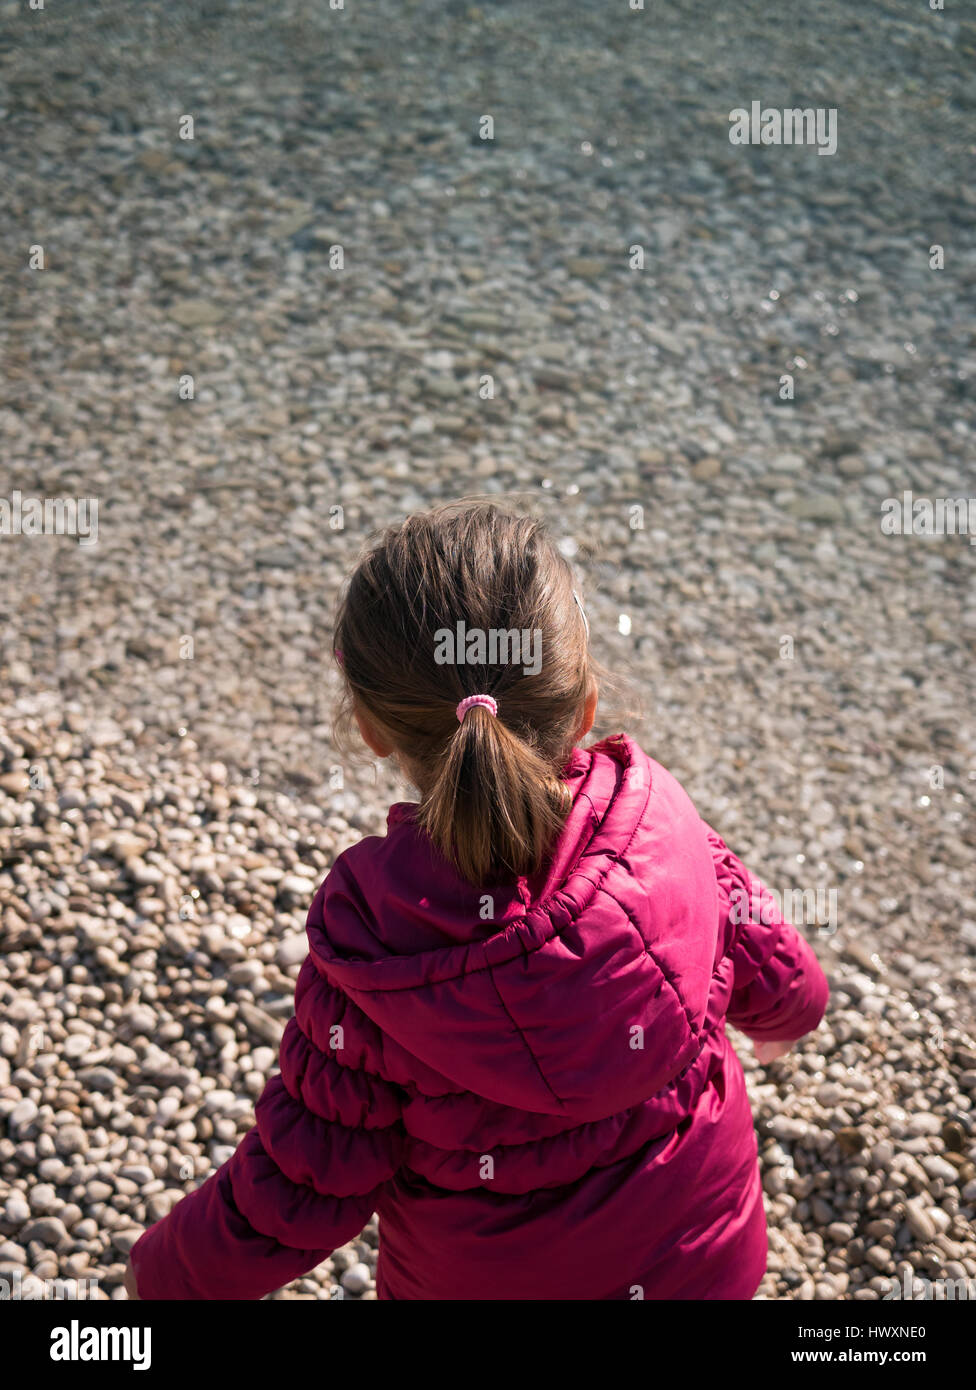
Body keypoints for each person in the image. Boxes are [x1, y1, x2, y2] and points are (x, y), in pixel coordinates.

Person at [126, 501, 829, 1300]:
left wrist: (167, 1274)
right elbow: (763, 946)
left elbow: (304, 1185)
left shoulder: (376, 951)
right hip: (706, 1264)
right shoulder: (662, 826)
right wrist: (794, 1013)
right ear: (586, 702)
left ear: (368, 728)